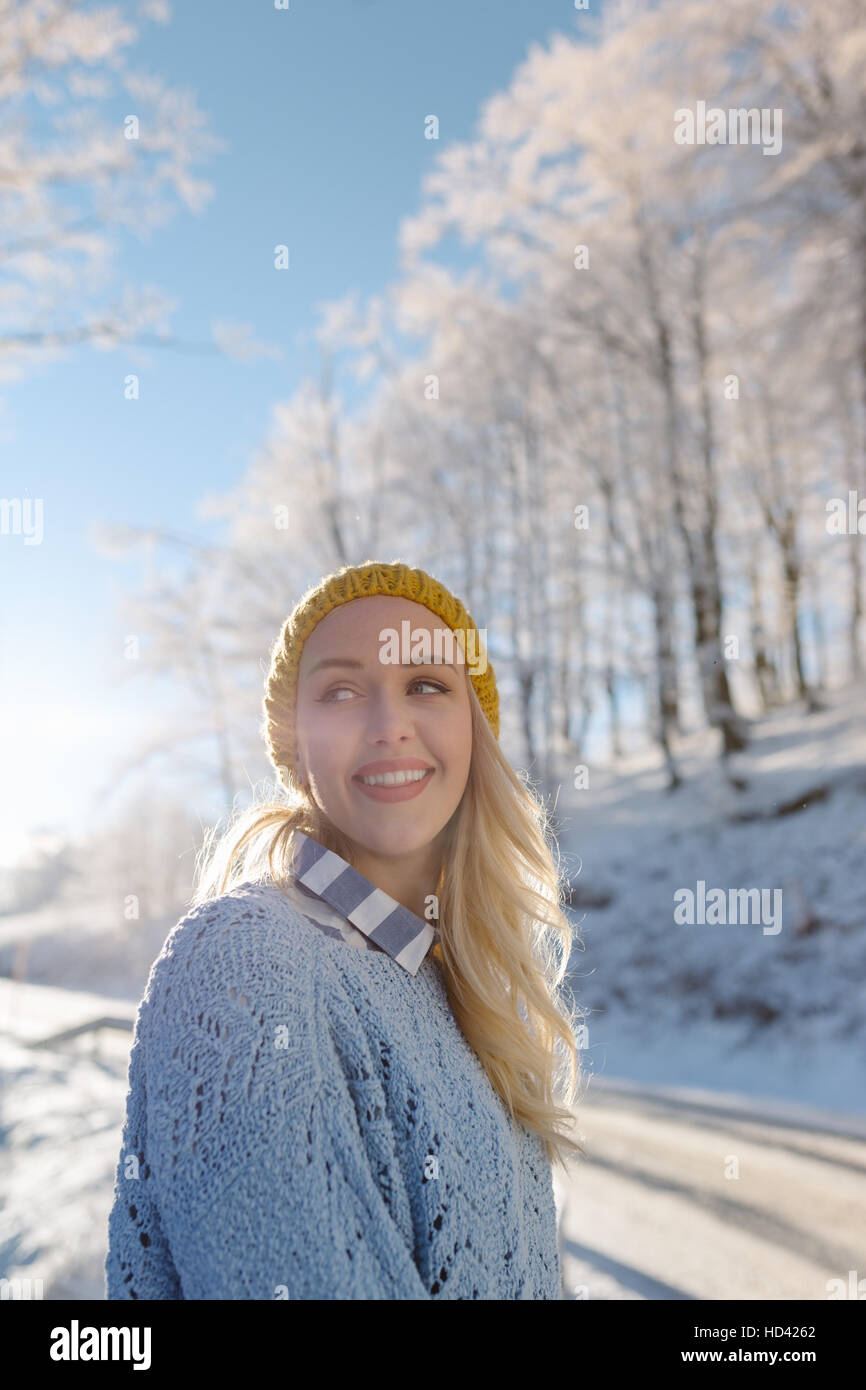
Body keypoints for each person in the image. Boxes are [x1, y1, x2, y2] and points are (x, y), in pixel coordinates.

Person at [105, 559, 586, 1300]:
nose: (390, 725)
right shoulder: (243, 963)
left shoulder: (465, 993)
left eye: (426, 685)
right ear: (295, 747)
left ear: (474, 727)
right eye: (339, 691)